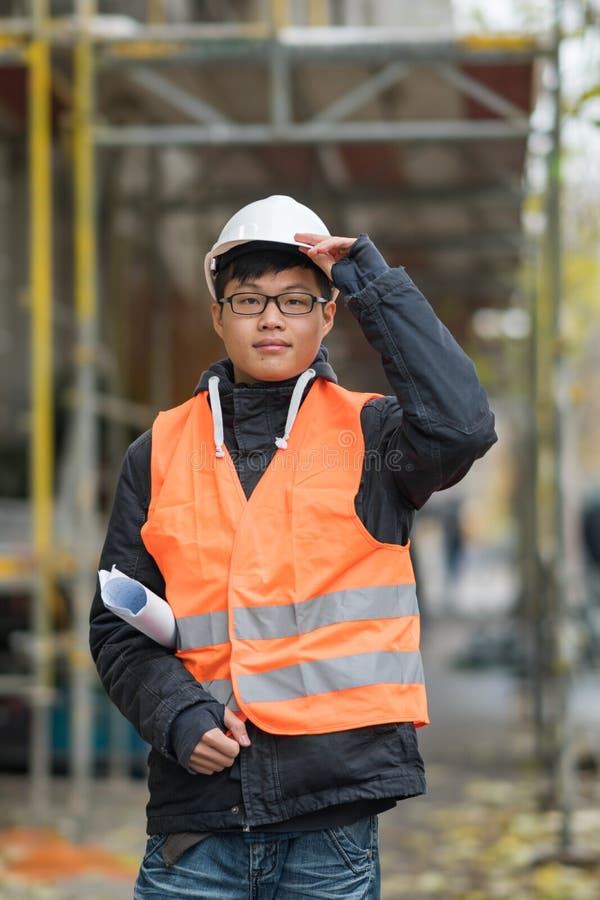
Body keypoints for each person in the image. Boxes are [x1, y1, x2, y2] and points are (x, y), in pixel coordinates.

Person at [90, 195, 497, 899]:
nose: (272, 318)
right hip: (196, 825)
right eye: (249, 300)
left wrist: (369, 279)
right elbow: (116, 627)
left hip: (330, 823)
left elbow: (462, 427)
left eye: (295, 300)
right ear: (218, 317)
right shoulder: (156, 451)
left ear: (328, 317)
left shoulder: (376, 438)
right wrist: (177, 715)